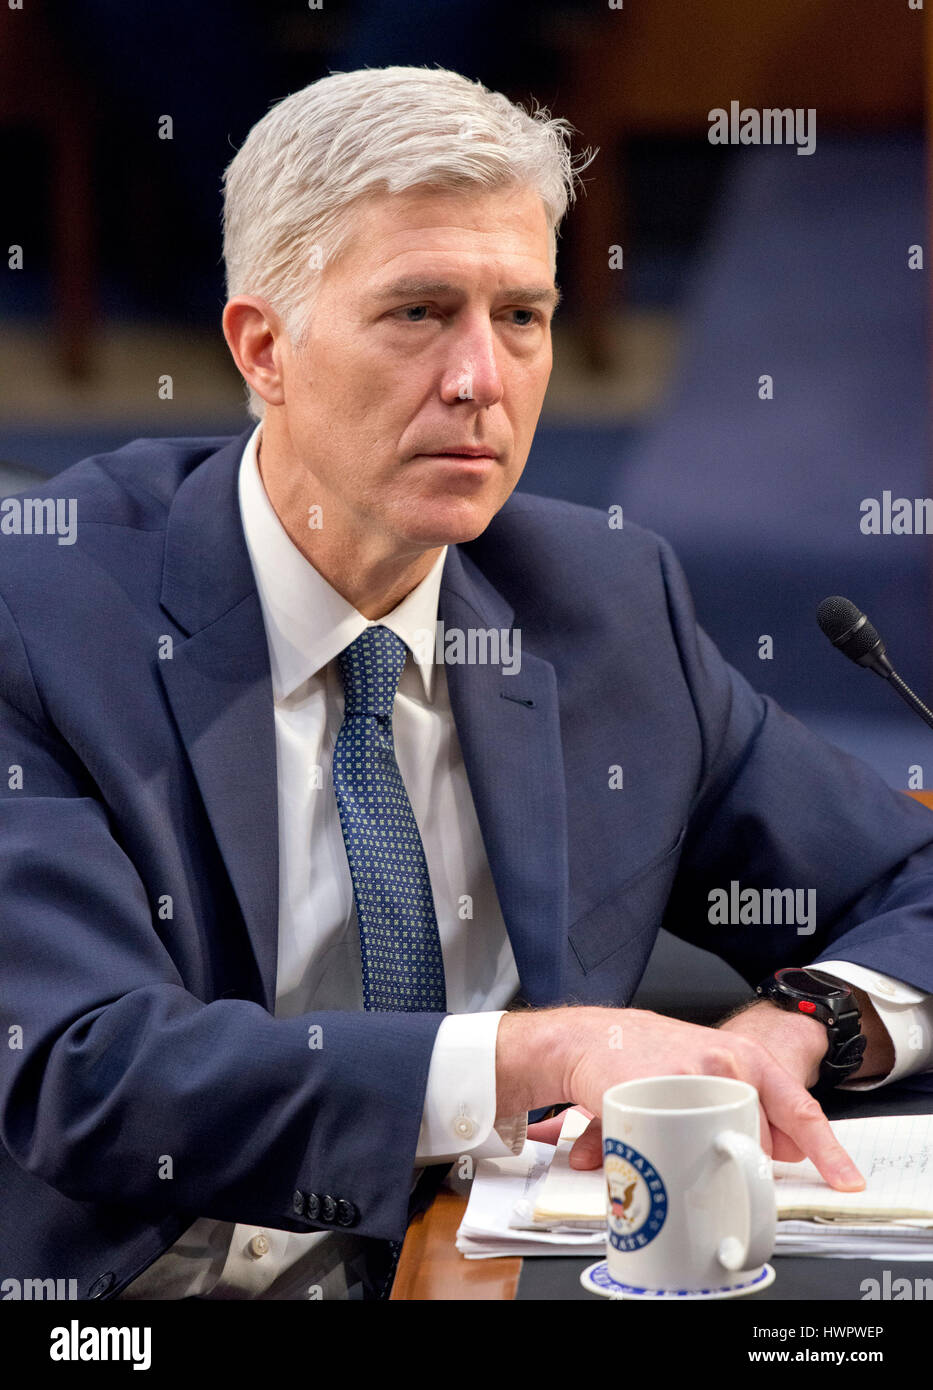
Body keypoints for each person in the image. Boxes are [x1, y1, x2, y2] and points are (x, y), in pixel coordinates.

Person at [2, 66, 932, 1303]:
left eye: (524, 318)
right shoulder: (45, 610)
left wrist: (798, 1021)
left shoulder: (601, 605)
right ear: (263, 347)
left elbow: (904, 872)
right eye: (420, 312)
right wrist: (534, 1053)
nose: (482, 381)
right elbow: (86, 1066)